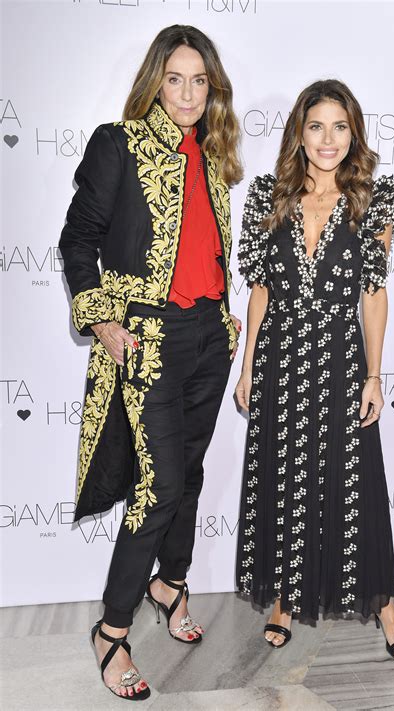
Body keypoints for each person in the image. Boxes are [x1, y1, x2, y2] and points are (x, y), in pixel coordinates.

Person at [59, 24, 242, 700]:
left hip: (209, 338)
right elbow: (78, 239)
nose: (188, 94)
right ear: (155, 83)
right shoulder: (120, 143)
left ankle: (171, 581)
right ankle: (112, 628)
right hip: (149, 339)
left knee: (187, 473)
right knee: (157, 486)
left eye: (199, 81)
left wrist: (226, 316)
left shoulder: (213, 154)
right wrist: (103, 320)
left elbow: (206, 248)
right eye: (175, 79)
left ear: (211, 88)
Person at [235, 79, 394, 663]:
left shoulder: (373, 200)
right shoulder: (268, 197)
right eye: (316, 126)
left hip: (341, 360)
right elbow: (260, 290)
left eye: (340, 127)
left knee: (355, 483)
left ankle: (385, 605)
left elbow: (374, 294)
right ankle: (285, 597)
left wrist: (374, 375)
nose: (328, 139)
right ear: (300, 132)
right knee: (284, 477)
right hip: (281, 358)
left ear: (353, 134)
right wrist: (247, 367)